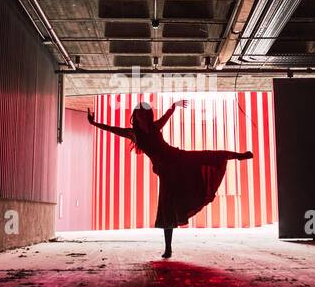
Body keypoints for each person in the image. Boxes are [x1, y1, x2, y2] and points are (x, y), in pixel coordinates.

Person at [87, 100, 253, 258]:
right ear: (135, 116)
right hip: (166, 173)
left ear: (149, 115)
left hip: (178, 158)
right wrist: (94, 123)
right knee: (167, 210)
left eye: (146, 114)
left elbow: (168, 114)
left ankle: (238, 156)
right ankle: (168, 248)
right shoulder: (134, 134)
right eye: (140, 114)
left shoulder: (155, 126)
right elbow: (111, 129)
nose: (143, 117)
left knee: (206, 155)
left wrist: (175, 106)